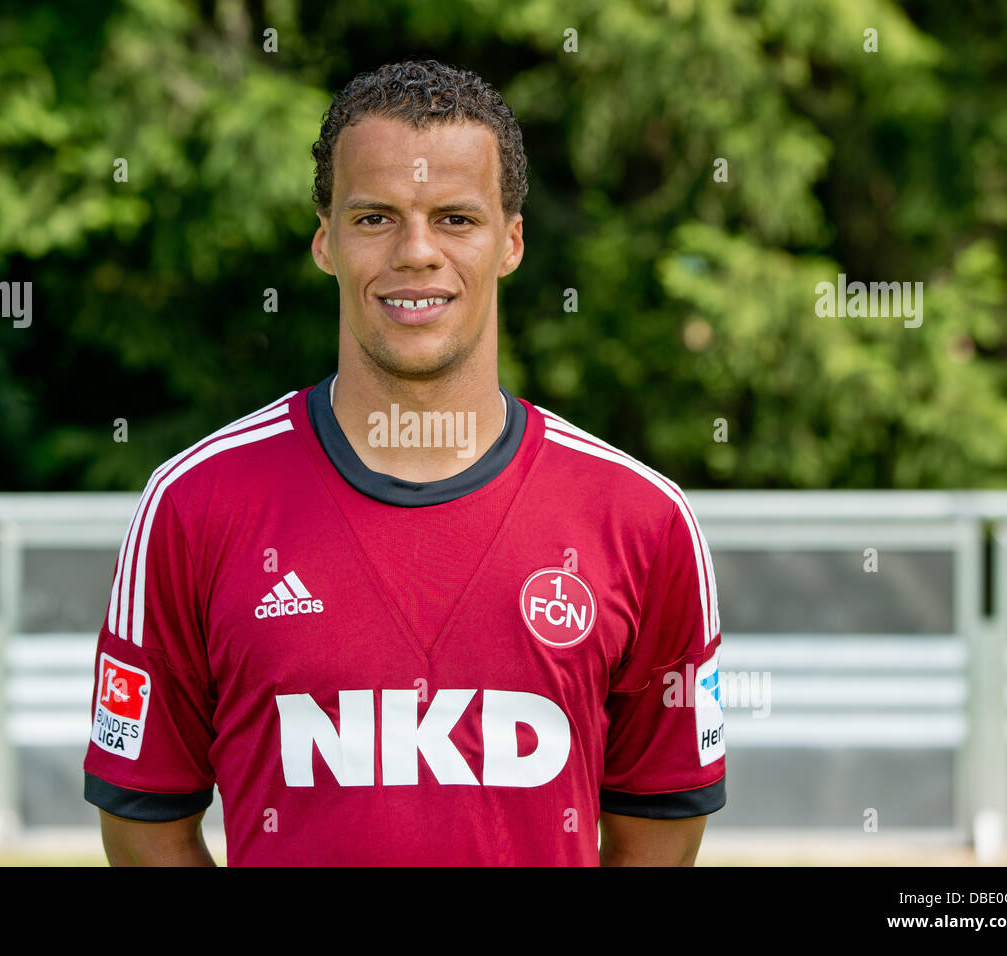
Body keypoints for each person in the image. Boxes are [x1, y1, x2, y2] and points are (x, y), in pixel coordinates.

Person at [83, 58, 725, 866]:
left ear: (512, 241)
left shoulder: (639, 517)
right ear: (325, 240)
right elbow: (146, 823)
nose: (416, 253)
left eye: (456, 218)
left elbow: (659, 829)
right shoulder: (195, 502)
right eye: (375, 217)